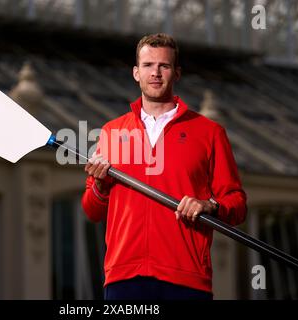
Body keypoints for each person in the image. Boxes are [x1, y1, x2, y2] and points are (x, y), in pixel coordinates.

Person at [81, 33, 247, 300]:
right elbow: (91, 210)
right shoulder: (112, 132)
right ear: (136, 73)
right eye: (148, 65)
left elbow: (237, 203)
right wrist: (100, 184)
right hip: (124, 277)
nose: (155, 73)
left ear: (177, 73)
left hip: (186, 278)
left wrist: (209, 205)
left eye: (164, 66)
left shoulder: (209, 133)